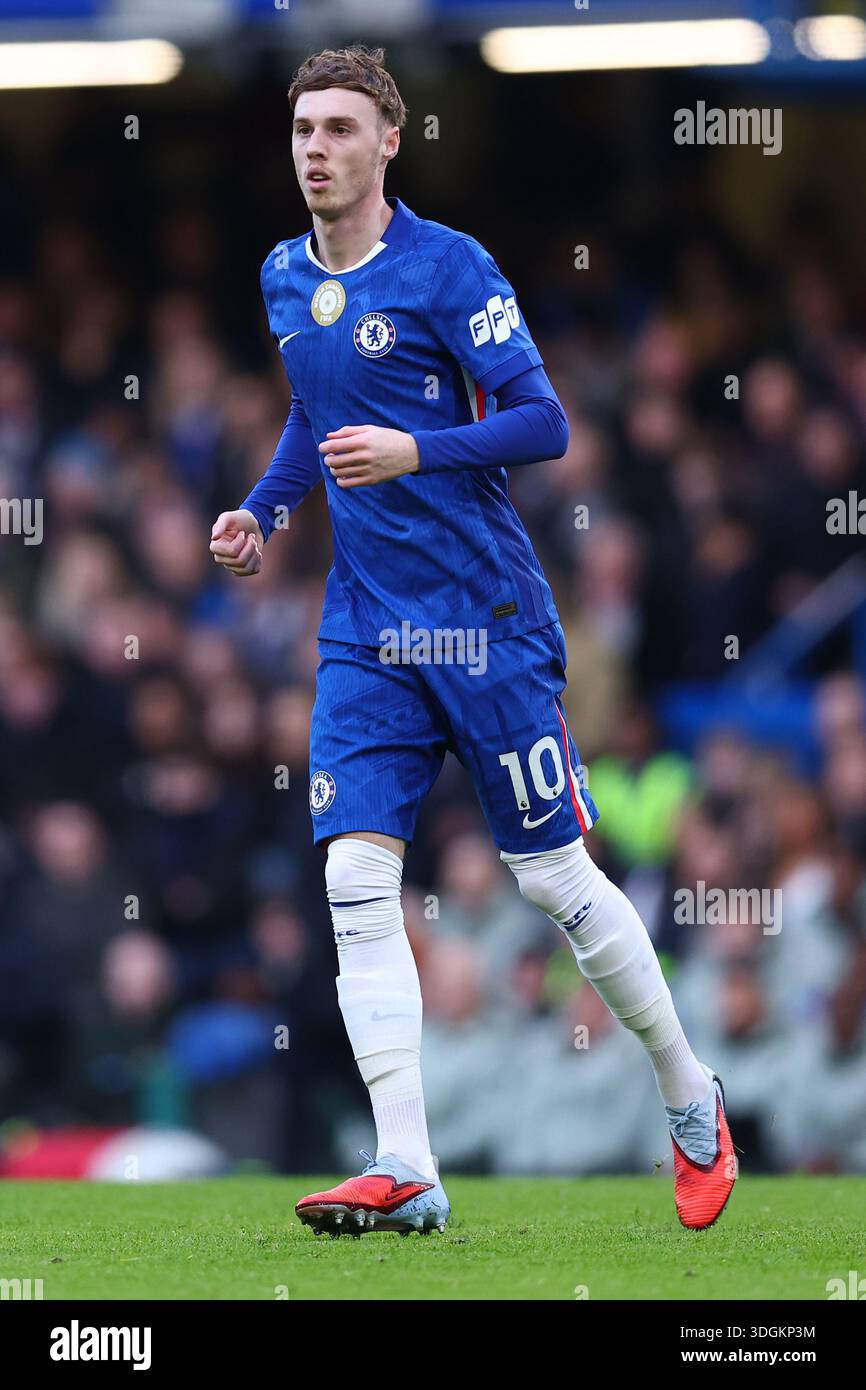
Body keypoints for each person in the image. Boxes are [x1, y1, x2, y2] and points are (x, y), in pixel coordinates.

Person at [210, 45, 736, 1235]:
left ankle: (687, 1094)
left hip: (485, 620)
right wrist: (265, 510)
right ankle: (404, 1163)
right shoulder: (284, 276)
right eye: (303, 129)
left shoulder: (449, 267)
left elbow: (544, 422)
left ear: (388, 142)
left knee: (551, 874)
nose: (316, 148)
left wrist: (415, 451)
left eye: (341, 128)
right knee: (352, 875)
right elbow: (312, 412)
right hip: (365, 631)